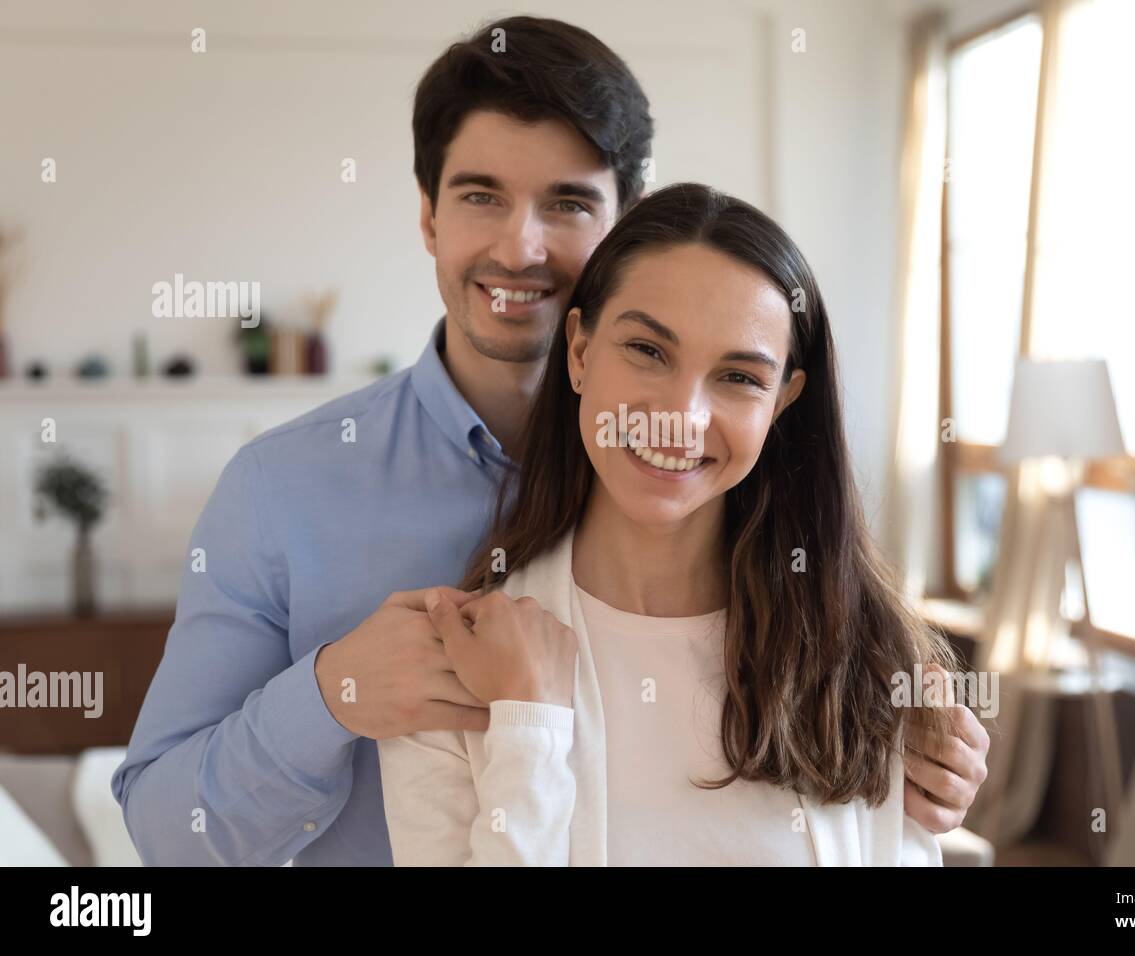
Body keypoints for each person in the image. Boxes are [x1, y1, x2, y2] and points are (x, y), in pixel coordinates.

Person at [112, 16, 988, 867]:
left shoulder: (754, 520)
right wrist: (334, 692)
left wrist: (925, 753)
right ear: (428, 215)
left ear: (626, 221)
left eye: (567, 202)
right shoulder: (282, 488)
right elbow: (164, 831)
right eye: (480, 195)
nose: (519, 246)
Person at [380, 182, 959, 865]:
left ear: (783, 403)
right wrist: (527, 727)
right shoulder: (452, 666)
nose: (680, 417)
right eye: (648, 351)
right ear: (579, 352)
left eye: (739, 378)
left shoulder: (866, 658)